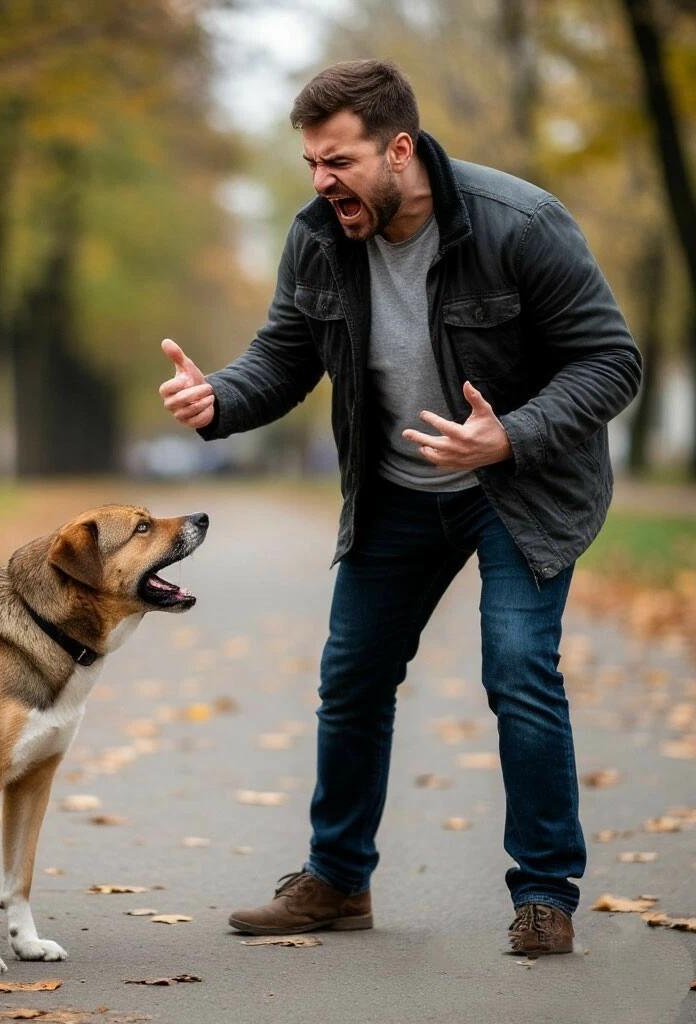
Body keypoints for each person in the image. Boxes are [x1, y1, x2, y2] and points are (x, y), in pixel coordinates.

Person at [157, 58, 641, 956]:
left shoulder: (519, 225)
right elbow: (285, 356)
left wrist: (511, 435)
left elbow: (612, 362)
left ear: (400, 149)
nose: (321, 181)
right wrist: (219, 398)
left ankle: (544, 895)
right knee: (352, 679)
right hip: (398, 492)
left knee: (518, 670)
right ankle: (338, 882)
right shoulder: (318, 239)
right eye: (310, 161)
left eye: (338, 160)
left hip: (520, 489)